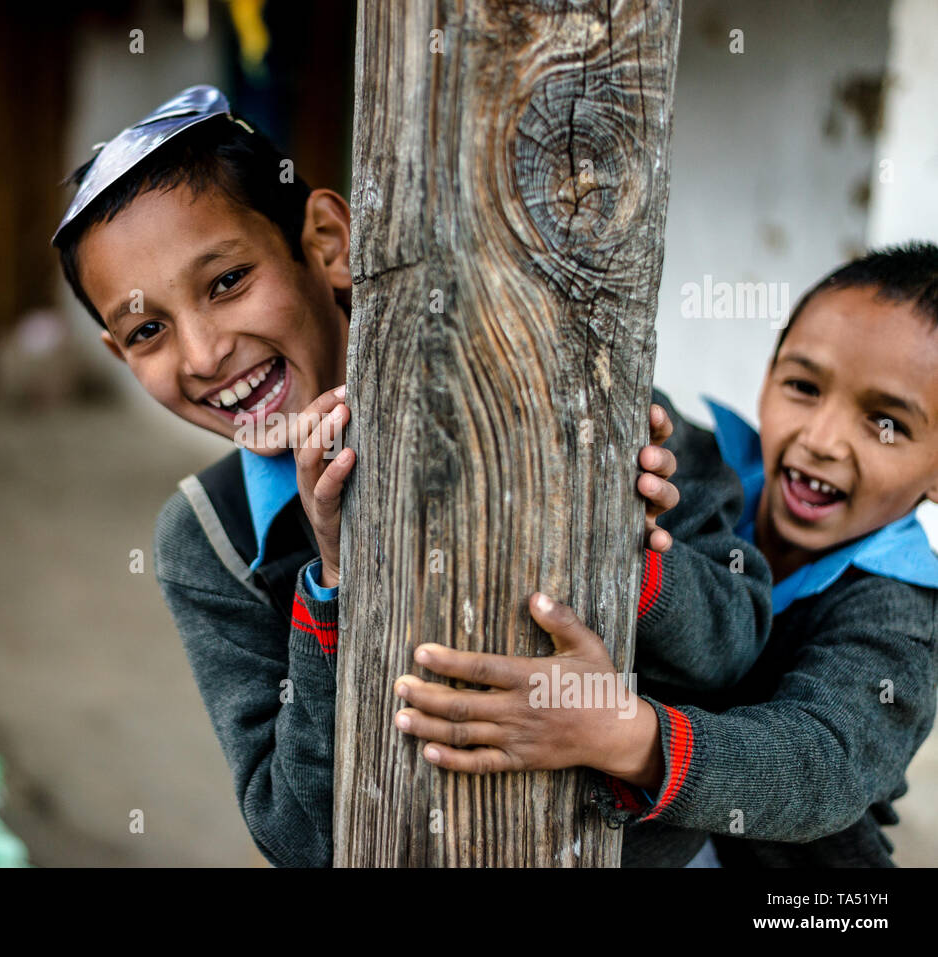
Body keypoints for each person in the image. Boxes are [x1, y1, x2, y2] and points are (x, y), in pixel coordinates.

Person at [51, 86, 771, 866]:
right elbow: (300, 835)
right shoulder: (209, 540)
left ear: (326, 241)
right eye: (148, 329)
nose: (201, 353)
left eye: (226, 282)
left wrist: (623, 538)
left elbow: (734, 654)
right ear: (120, 356)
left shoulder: (592, 411)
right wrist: (333, 574)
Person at [396, 244, 938, 866]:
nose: (820, 439)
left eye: (884, 423)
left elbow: (821, 762)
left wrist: (621, 734)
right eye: (804, 386)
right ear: (767, 375)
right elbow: (596, 392)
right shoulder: (691, 470)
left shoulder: (901, 617)